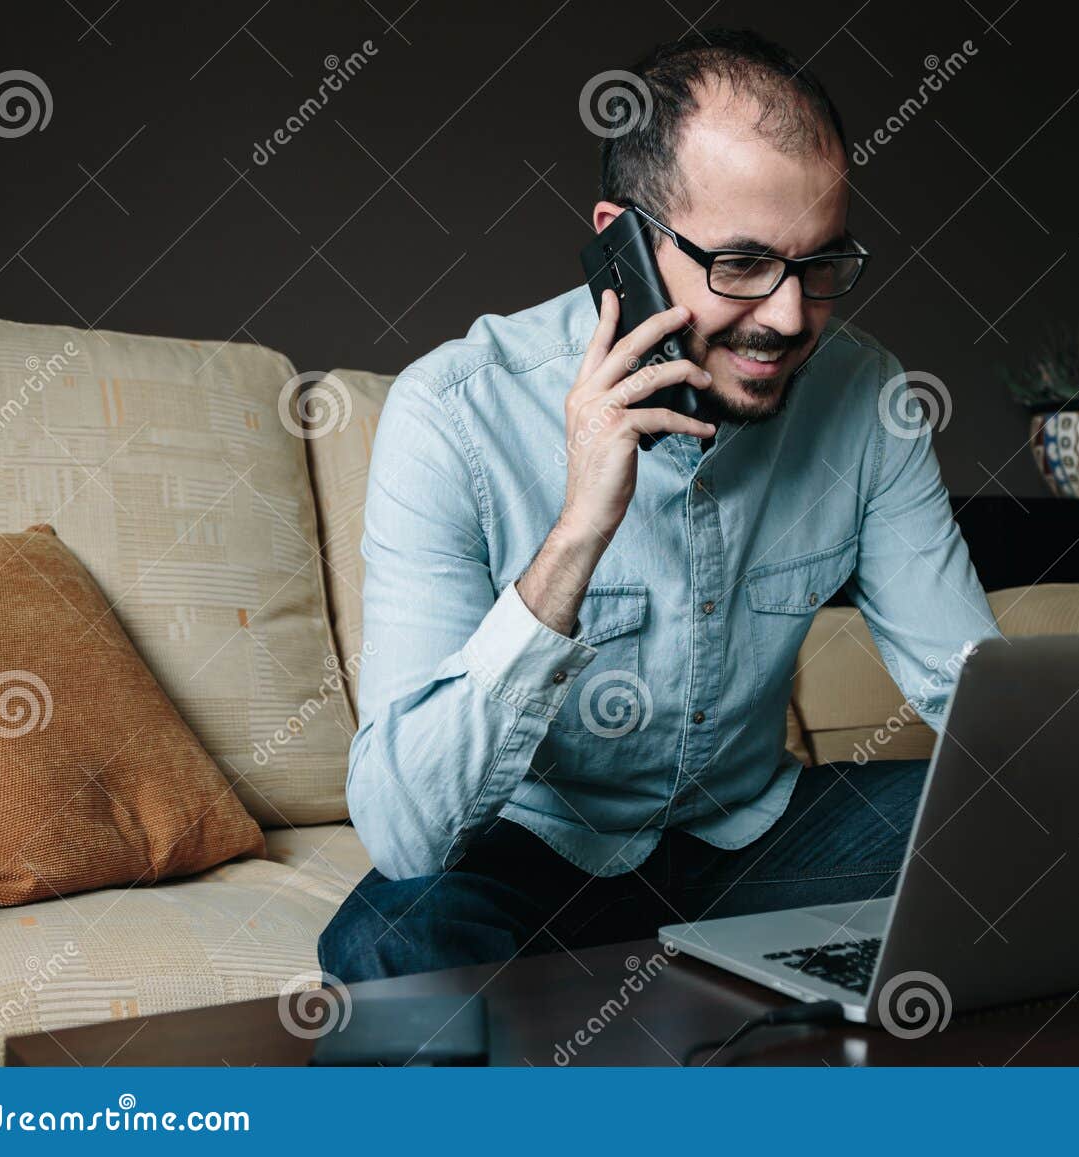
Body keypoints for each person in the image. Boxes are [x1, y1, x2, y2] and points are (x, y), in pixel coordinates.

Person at [320, 27, 1000, 983]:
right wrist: (580, 530)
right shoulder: (455, 410)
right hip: (536, 857)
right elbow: (405, 832)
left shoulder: (866, 397)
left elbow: (974, 694)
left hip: (753, 842)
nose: (789, 317)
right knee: (392, 940)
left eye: (820, 266)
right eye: (743, 265)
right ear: (622, 243)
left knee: (1022, 839)